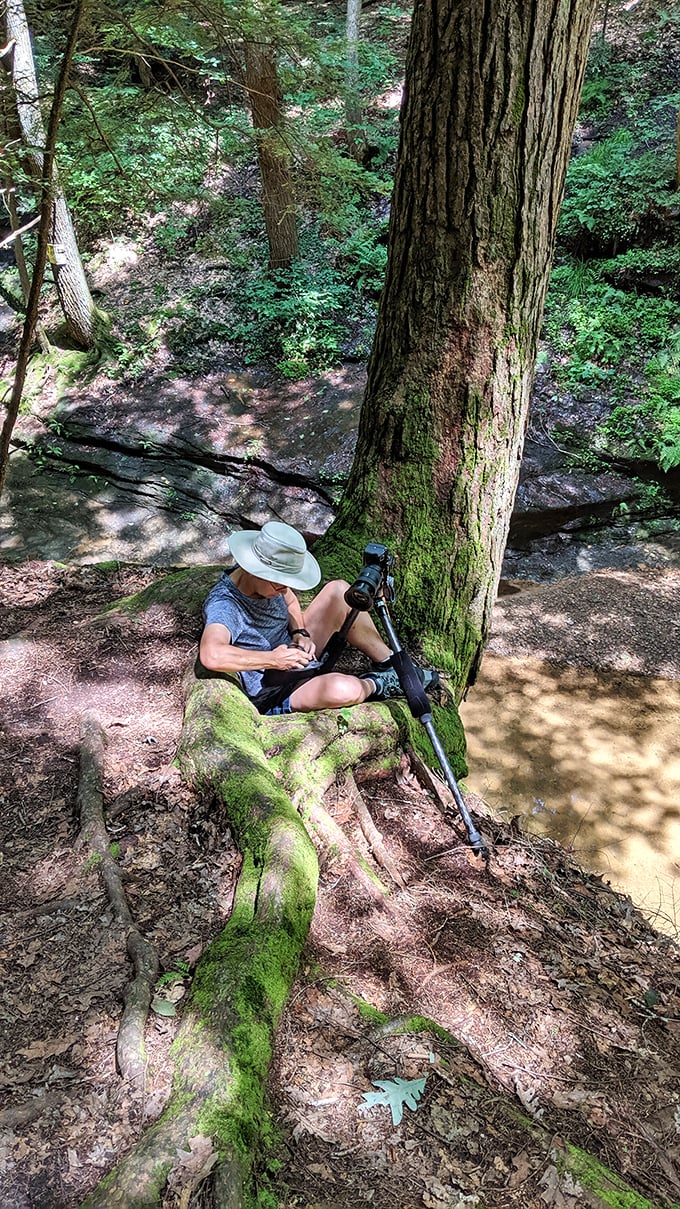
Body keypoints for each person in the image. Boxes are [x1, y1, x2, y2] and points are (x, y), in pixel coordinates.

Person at [199, 520, 439, 715]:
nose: (284, 590)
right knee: (343, 689)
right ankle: (378, 683)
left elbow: (291, 601)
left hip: (298, 661)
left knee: (338, 591)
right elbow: (212, 654)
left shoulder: (270, 585)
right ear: (254, 570)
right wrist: (272, 659)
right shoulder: (226, 605)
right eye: (279, 585)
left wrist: (299, 632)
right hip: (273, 690)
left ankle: (392, 665)